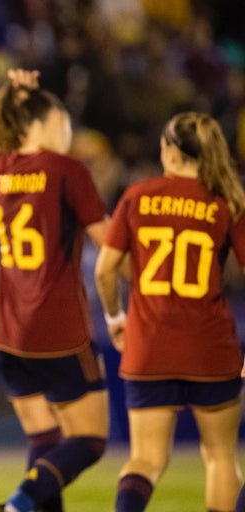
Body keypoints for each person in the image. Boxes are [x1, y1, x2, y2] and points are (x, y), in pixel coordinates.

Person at [0, 69, 110, 512]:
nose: (69, 132)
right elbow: (109, 243)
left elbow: (0, 133)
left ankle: (23, 505)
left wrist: (16, 95)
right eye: (65, 122)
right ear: (48, 121)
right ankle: (17, 503)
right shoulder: (67, 169)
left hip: (7, 331)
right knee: (89, 440)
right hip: (57, 327)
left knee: (45, 440)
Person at [95, 111, 245, 512]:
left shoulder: (137, 195)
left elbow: (105, 272)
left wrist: (114, 318)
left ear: (173, 152)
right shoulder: (227, 200)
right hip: (211, 348)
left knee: (145, 460)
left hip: (149, 345)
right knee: (219, 457)